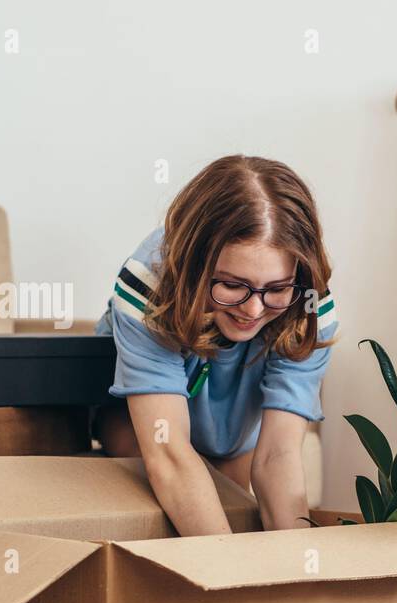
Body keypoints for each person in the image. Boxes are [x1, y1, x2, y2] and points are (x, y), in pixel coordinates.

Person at [92, 155, 339, 534]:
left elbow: (277, 455)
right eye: (232, 285)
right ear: (194, 267)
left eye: (275, 289)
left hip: (234, 430)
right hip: (139, 423)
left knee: (236, 509)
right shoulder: (148, 285)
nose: (253, 309)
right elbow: (170, 454)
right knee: (177, 509)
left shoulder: (308, 306)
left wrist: (301, 571)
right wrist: (229, 576)